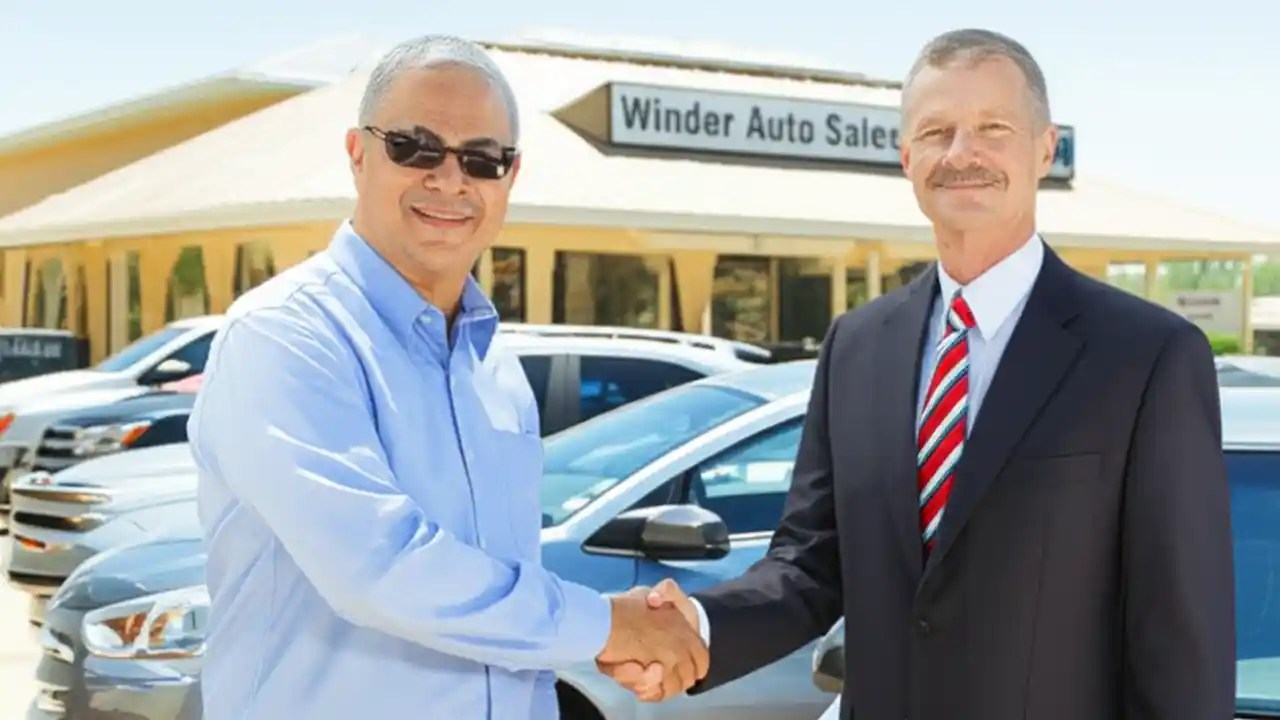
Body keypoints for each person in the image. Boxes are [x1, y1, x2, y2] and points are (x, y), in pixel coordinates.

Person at [616, 28, 1236, 719]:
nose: (962, 154)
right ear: (906, 156)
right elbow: (810, 564)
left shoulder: (1147, 358)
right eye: (937, 131)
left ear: (1044, 149)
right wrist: (699, 630)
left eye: (992, 128)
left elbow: (1179, 635)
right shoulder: (857, 346)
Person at [187, 35, 706, 719]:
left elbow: (502, 596)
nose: (450, 180)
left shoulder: (492, 365)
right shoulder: (286, 336)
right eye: (416, 147)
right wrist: (609, 625)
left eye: (483, 160)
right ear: (357, 154)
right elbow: (380, 567)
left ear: (509, 179)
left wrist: (612, 635)